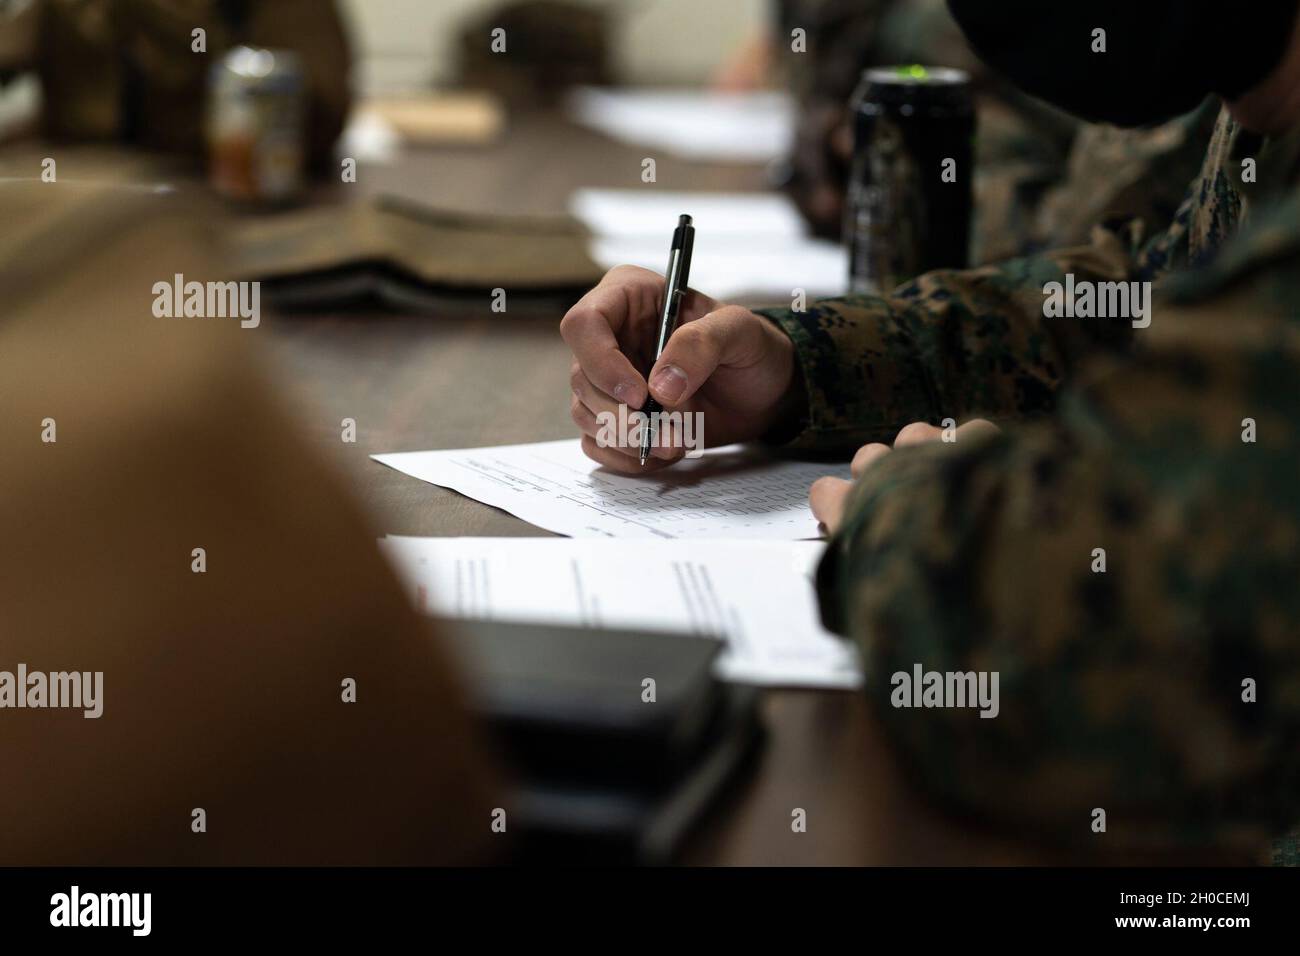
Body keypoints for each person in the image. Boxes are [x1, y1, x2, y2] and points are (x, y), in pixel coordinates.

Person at [560, 0, 1300, 861]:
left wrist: (908, 506)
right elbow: (1123, 302)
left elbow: (1026, 651)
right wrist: (801, 367)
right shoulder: (1258, 107)